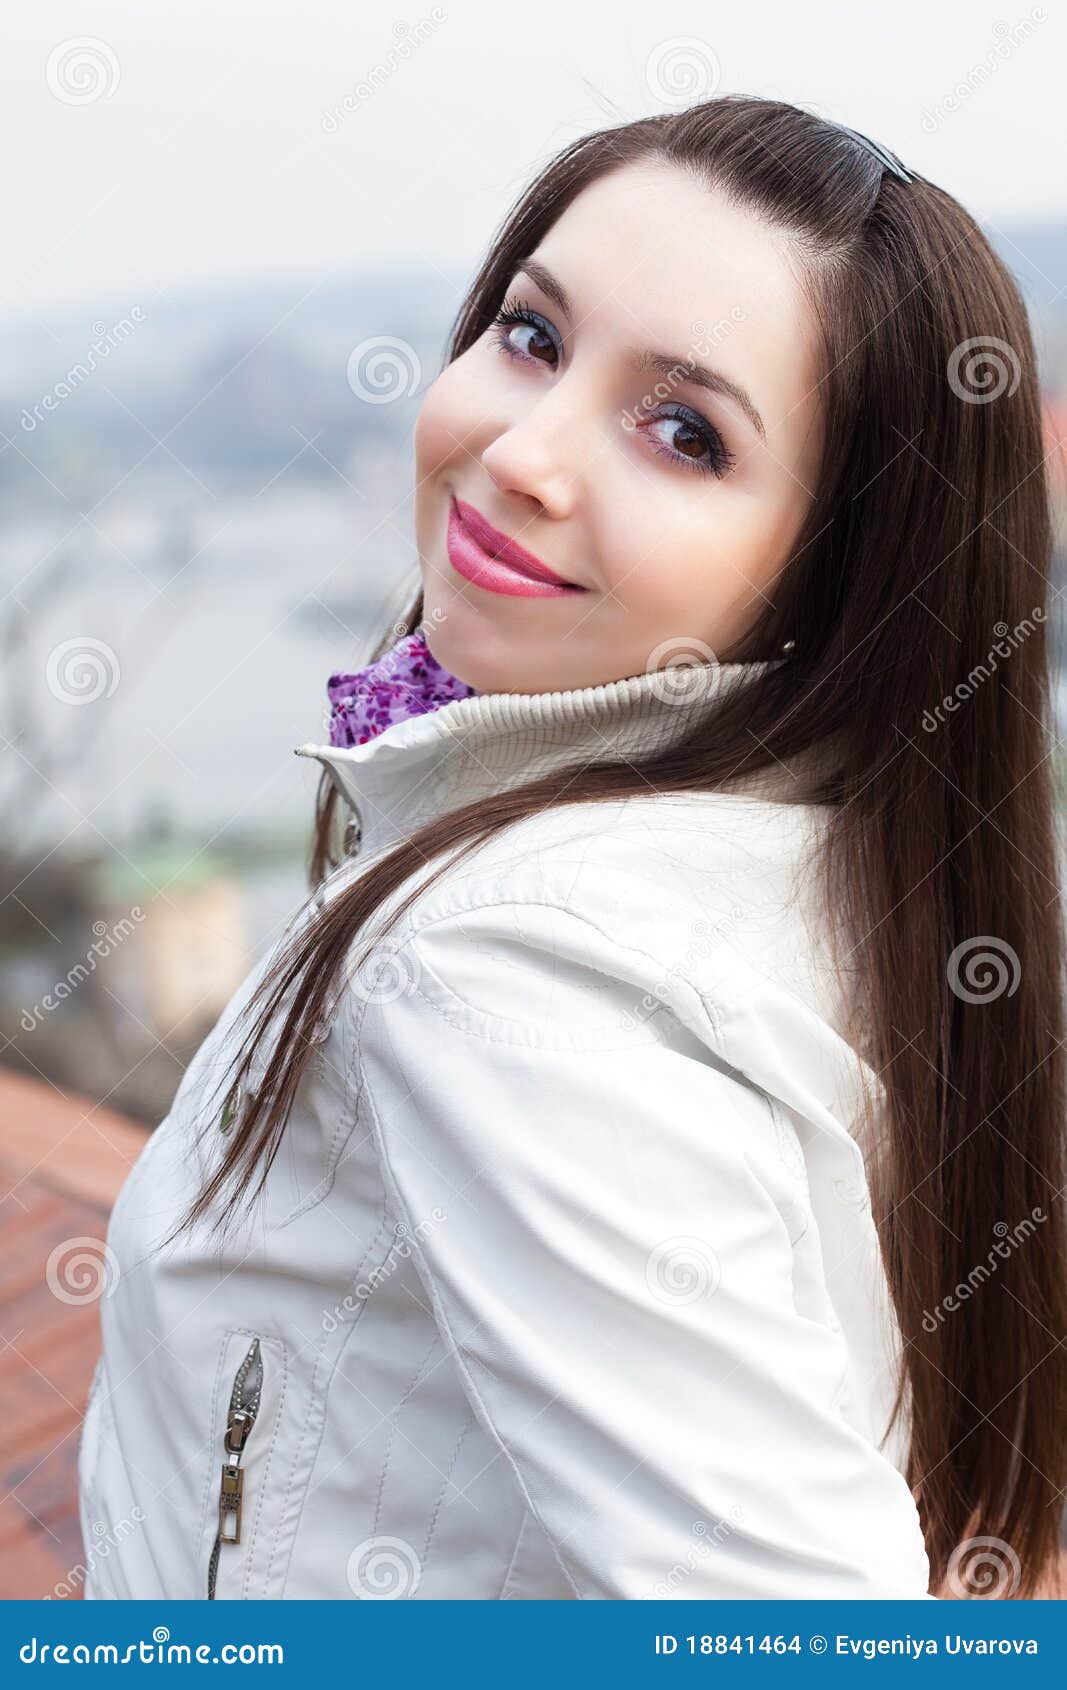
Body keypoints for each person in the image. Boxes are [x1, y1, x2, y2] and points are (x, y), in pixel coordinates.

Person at [78, 93, 1066, 1601]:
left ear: (837, 574)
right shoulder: (851, 853)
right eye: (534, 337)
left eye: (685, 433)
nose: (524, 452)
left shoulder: (513, 965)